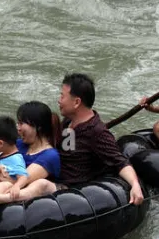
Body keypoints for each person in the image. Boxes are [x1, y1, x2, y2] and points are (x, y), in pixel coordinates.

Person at [11, 75, 144, 205]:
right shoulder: (68, 122)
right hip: (51, 171)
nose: (59, 100)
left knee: (39, 184)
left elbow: (120, 162)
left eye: (62, 96)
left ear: (76, 102)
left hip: (70, 189)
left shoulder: (97, 132)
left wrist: (135, 184)